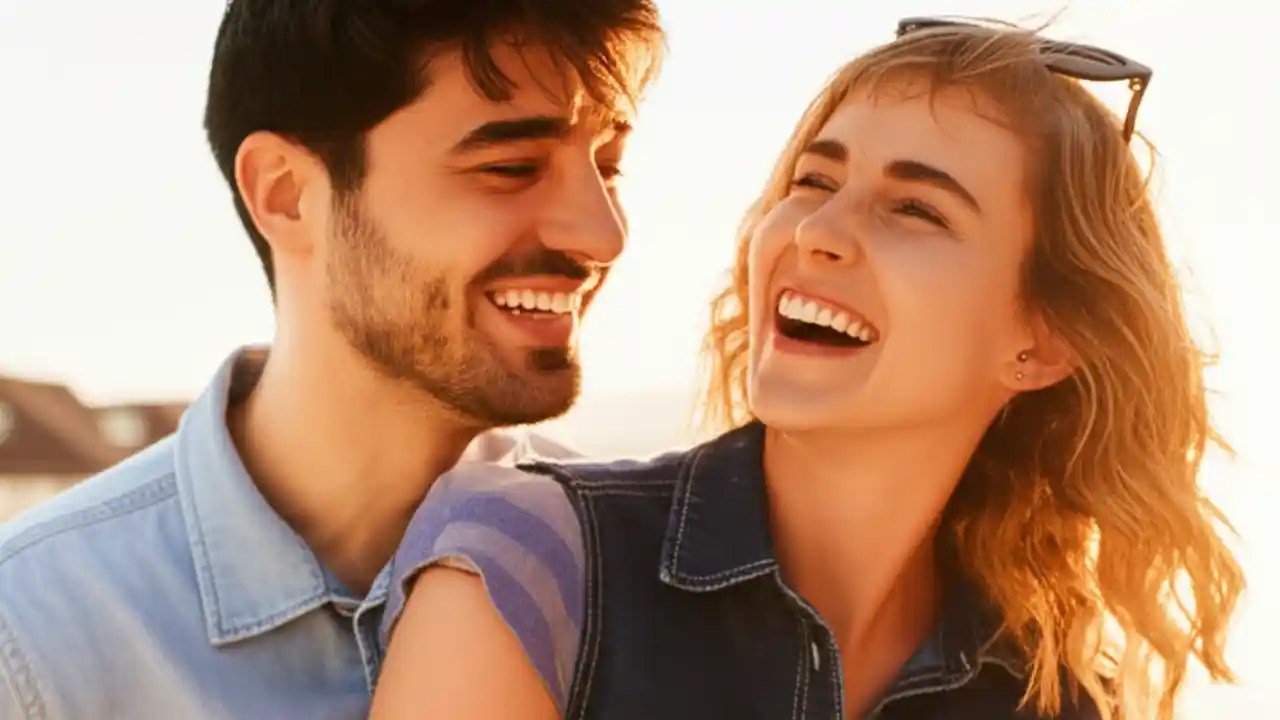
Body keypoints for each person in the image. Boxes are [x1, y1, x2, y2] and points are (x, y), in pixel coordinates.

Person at [370, 18, 1243, 720]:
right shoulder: (531, 560)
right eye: (816, 182)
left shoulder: (1052, 700)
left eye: (915, 208)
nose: (816, 232)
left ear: (1040, 343)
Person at [0, 2, 663, 717]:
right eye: (511, 166)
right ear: (286, 194)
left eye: (608, 166)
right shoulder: (34, 641)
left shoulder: (647, 582)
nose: (603, 234)